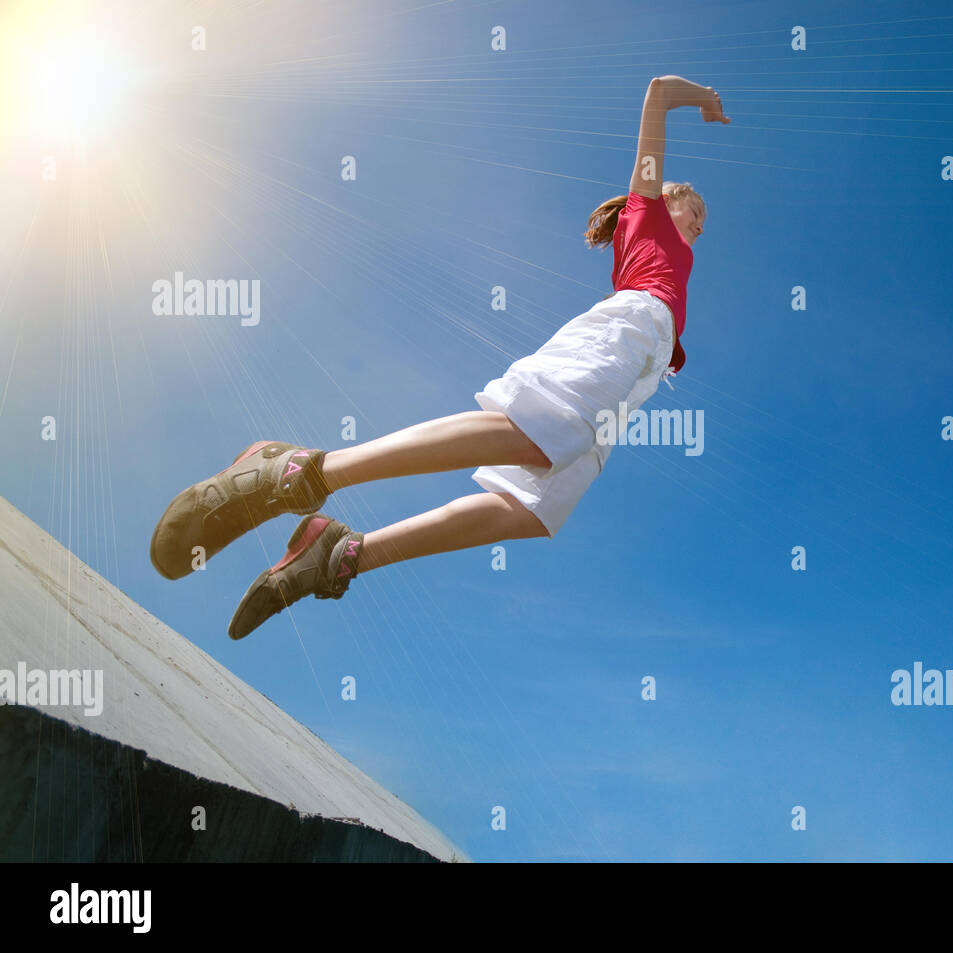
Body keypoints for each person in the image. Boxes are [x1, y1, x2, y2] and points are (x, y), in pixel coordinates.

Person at [149, 75, 730, 639]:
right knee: (535, 435)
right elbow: (657, 92)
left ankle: (342, 553)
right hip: (621, 334)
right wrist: (700, 99)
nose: (702, 223)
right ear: (666, 198)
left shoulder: (677, 266)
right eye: (695, 209)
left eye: (703, 220)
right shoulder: (646, 212)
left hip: (634, 377)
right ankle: (301, 470)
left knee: (528, 510)